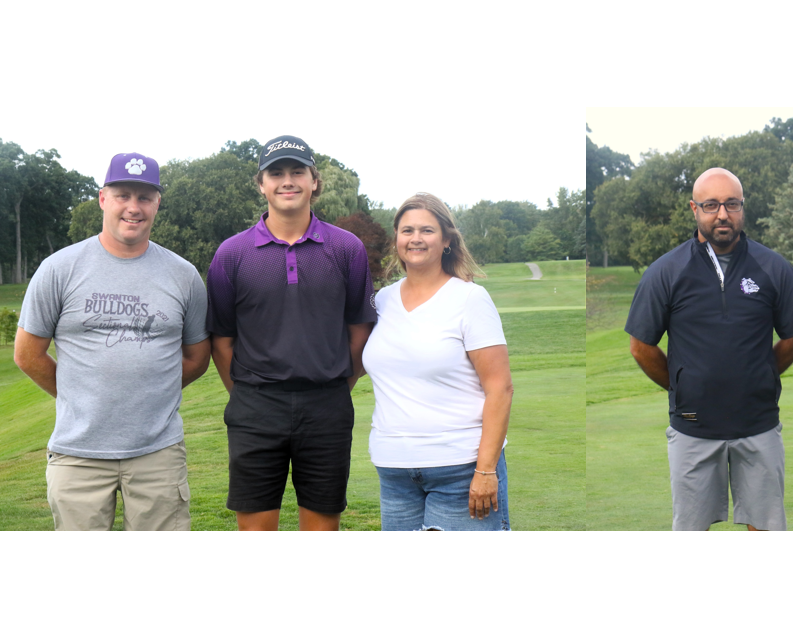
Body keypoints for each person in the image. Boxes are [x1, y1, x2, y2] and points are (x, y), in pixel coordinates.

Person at [14, 152, 210, 530]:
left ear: (157, 204)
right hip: (78, 454)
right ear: (103, 198)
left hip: (159, 453)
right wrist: (81, 395)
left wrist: (150, 392)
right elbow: (27, 354)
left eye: (144, 197)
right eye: (123, 195)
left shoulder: (183, 275)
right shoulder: (59, 269)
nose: (133, 207)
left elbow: (197, 357)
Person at [624, 167, 793, 531]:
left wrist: (760, 375)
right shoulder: (666, 272)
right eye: (711, 205)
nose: (722, 214)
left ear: (743, 208)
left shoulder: (773, 268)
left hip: (757, 425)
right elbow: (641, 346)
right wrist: (683, 386)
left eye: (731, 204)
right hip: (693, 428)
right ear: (694, 209)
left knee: (767, 529)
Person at [205, 135, 376, 531]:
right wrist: (250, 393)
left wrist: (335, 384)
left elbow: (359, 328)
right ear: (261, 184)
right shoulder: (232, 254)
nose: (287, 181)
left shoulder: (346, 248)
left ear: (314, 180)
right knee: (256, 528)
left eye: (297, 171)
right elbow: (222, 339)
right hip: (255, 409)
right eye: (276, 173)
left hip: (327, 407)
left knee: (322, 526)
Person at [362, 192, 513, 531]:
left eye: (427, 230)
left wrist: (486, 470)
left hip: (460, 468)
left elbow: (500, 389)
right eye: (407, 230)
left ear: (446, 239)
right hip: (394, 469)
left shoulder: (470, 299)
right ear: (397, 239)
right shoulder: (382, 301)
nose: (416, 238)